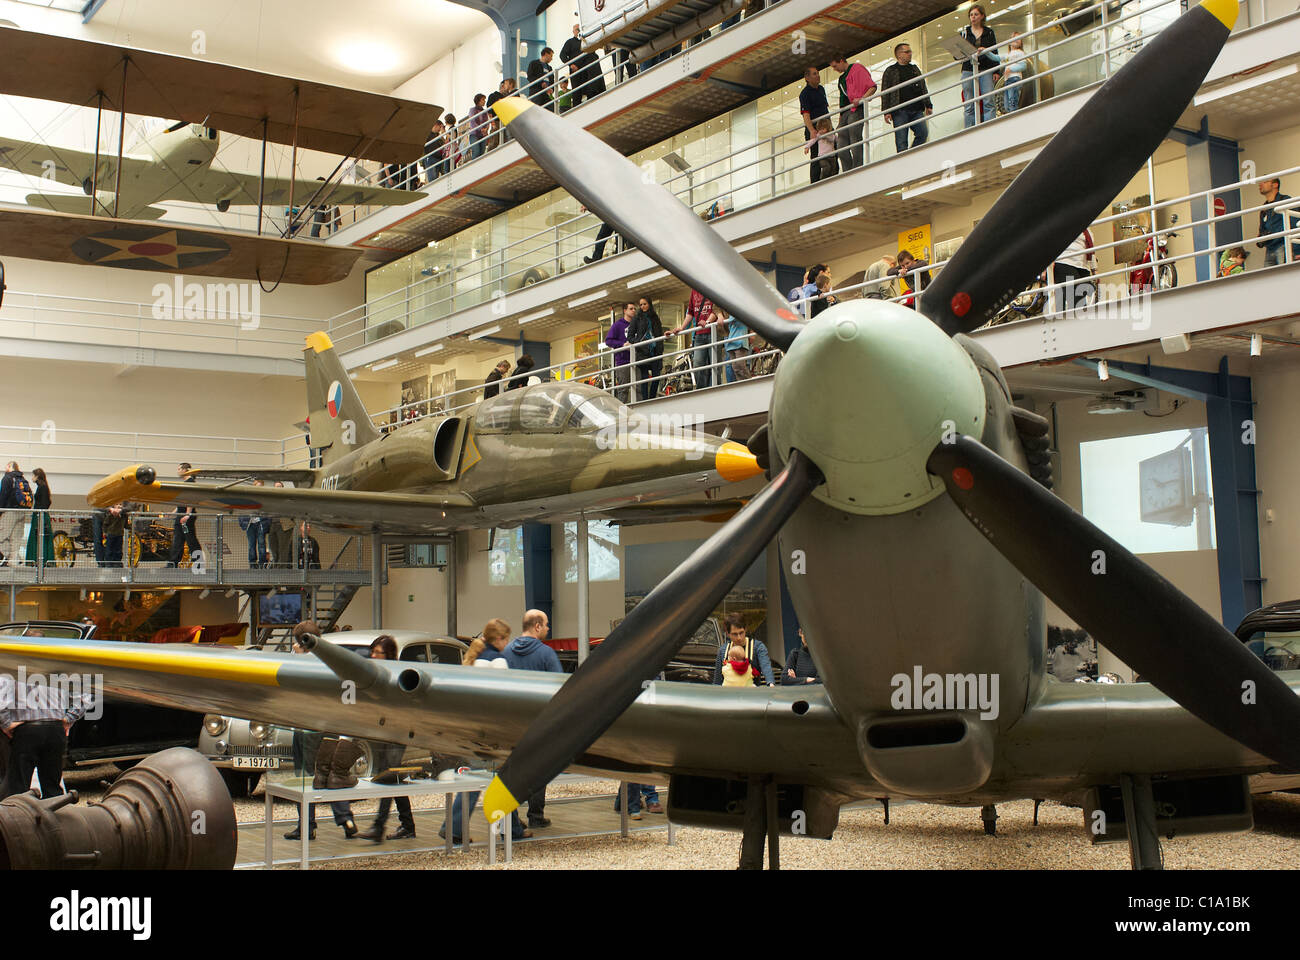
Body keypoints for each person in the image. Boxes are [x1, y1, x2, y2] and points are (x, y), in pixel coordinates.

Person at [284, 622, 358, 840]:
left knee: (305, 777)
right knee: (329, 774)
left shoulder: (303, 661)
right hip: (330, 726)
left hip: (306, 727)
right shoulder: (332, 659)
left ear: (300, 642)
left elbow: (292, 683)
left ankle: (307, 826)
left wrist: (296, 657)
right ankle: (346, 819)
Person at [0, 656, 93, 799]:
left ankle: (21, 818)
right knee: (52, 784)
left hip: (26, 729)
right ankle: (55, 816)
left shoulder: (14, 668)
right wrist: (68, 719)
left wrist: (6, 724)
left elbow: (1, 699)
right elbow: (84, 697)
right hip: (55, 729)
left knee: (18, 787)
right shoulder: (60, 668)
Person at [503, 609, 562, 828]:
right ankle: (535, 815)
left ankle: (512, 817)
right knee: (539, 768)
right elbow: (559, 689)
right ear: (537, 626)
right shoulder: (547, 654)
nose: (548, 628)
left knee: (513, 770)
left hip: (511, 722)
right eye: (546, 624)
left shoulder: (506, 651)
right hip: (539, 722)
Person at [358, 635, 417, 842]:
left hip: (397, 731)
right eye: (372, 651)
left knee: (388, 775)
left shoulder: (398, 675)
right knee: (393, 776)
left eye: (378, 652)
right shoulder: (376, 673)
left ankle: (378, 826)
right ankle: (407, 825)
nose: (373, 655)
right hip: (384, 729)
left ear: (390, 654)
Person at [881, 42, 932, 152]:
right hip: (899, 110)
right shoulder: (891, 71)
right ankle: (904, 163)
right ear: (899, 55)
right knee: (901, 142)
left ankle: (911, 156)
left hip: (917, 108)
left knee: (923, 133)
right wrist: (886, 111)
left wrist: (928, 104)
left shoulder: (914, 69)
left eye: (910, 51)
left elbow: (923, 86)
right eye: (907, 52)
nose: (910, 54)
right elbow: (885, 92)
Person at [829, 53, 876, 171]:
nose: (835, 69)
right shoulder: (841, 79)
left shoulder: (857, 69)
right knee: (841, 145)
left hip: (856, 109)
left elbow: (872, 87)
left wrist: (861, 99)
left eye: (835, 66)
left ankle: (857, 168)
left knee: (855, 139)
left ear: (841, 61)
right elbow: (842, 99)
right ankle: (848, 170)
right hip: (845, 111)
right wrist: (840, 118)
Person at [956, 4, 999, 128]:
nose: (973, 17)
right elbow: (957, 54)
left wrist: (997, 71)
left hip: (985, 67)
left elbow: (995, 51)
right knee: (969, 103)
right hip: (968, 68)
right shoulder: (964, 33)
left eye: (976, 14)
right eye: (971, 15)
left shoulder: (989, 32)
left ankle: (990, 127)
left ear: (982, 16)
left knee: (988, 100)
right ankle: (969, 129)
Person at [668, 289, 716, 389]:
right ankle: (701, 391)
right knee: (698, 364)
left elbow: (717, 310)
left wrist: (707, 322)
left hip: (713, 332)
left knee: (715, 365)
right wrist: (681, 328)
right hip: (699, 334)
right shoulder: (694, 292)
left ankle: (715, 390)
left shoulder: (712, 287)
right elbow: (690, 313)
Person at [711, 613, 774, 685]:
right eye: (734, 634)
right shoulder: (723, 650)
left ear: (745, 629)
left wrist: (770, 683)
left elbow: (766, 666)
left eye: (741, 633)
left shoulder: (757, 647)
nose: (739, 638)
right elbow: (718, 680)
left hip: (750, 693)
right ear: (727, 634)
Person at [1051, 228, 1096, 315]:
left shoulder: (1088, 229)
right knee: (1076, 301)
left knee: (1083, 301)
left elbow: (1092, 250)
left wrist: (1095, 269)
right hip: (1065, 262)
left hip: (1083, 266)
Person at [799, 66, 832, 184]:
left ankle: (832, 176)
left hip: (825, 127)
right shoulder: (805, 94)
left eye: (817, 73)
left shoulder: (821, 89)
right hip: (814, 129)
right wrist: (812, 130)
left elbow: (825, 109)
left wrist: (830, 127)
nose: (818, 75)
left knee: (832, 151)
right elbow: (806, 114)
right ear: (807, 78)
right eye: (814, 74)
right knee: (816, 156)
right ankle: (815, 183)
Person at [1257, 178, 1299, 266]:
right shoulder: (1264, 209)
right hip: (1270, 249)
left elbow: (1295, 225)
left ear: (1275, 185)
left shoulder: (1286, 200)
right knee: (1269, 278)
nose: (1260, 184)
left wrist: (1297, 250)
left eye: (1265, 181)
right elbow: (1262, 229)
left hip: (1284, 245)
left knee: (1286, 275)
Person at [630, 296, 665, 401]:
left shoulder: (655, 317)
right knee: (644, 377)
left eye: (644, 304)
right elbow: (630, 336)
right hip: (643, 351)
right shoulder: (637, 318)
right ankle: (646, 399)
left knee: (656, 376)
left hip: (655, 350)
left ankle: (652, 397)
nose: (642, 306)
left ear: (649, 304)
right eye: (640, 305)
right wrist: (639, 343)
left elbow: (659, 333)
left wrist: (660, 347)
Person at [167, 462, 201, 567]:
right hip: (180, 516)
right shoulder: (184, 483)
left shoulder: (190, 483)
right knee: (178, 540)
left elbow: (190, 500)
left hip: (186, 517)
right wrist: (172, 513)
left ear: (185, 470)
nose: (178, 471)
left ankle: (198, 564)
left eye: (179, 469)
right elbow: (181, 504)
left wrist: (188, 514)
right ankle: (173, 563)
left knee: (191, 540)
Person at [0, 461, 31, 567]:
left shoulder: (7, 478)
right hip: (22, 511)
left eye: (6, 466)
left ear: (9, 467)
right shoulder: (22, 479)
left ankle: (9, 557)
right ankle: (14, 561)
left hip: (10, 512)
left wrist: (1, 509)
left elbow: (3, 494)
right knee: (16, 538)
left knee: (1, 536)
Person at [24, 467, 53, 567]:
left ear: (37, 476)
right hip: (40, 515)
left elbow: (45, 503)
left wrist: (39, 513)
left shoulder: (42, 487)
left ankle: (40, 560)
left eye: (33, 475)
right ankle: (40, 560)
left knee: (39, 538)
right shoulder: (42, 487)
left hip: (40, 516)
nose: (31, 477)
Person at [607, 303, 634, 402]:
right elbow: (608, 341)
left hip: (636, 359)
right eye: (631, 309)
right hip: (622, 361)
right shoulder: (618, 325)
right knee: (623, 389)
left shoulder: (636, 324)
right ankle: (622, 412)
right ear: (625, 311)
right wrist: (622, 345)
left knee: (639, 386)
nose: (633, 310)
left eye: (634, 309)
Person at [1000, 34, 1029, 114]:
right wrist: (986, 52)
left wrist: (1010, 69)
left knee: (1012, 103)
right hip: (1007, 80)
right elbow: (996, 57)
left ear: (1021, 43)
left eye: (1018, 38)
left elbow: (1023, 66)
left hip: (1015, 78)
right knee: (1007, 105)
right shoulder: (1008, 54)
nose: (1016, 39)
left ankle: (1014, 118)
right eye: (1013, 37)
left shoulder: (1020, 52)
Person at [267, 482, 293, 568]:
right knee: (273, 547)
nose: (278, 488)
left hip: (284, 525)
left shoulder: (288, 499)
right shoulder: (270, 500)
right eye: (276, 487)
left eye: (279, 486)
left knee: (283, 549)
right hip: (272, 525)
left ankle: (281, 570)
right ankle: (276, 567)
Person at [723, 309, 752, 382]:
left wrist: (723, 320)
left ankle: (749, 384)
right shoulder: (730, 312)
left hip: (740, 341)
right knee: (735, 368)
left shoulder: (739, 310)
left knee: (741, 366)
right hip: (731, 341)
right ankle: (741, 385)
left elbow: (733, 318)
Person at [102, 502, 127, 567]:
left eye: (120, 505)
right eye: (117, 505)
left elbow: (126, 524)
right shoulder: (110, 515)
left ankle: (117, 562)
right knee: (109, 549)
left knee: (118, 549)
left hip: (119, 534)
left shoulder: (124, 515)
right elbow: (105, 524)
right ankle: (109, 562)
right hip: (111, 534)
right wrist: (105, 532)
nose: (119, 506)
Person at [468, 94, 490, 159]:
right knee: (476, 152)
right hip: (474, 134)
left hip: (483, 134)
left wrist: (486, 129)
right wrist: (481, 129)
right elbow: (473, 122)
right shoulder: (472, 110)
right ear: (478, 101)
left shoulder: (484, 111)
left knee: (482, 153)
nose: (484, 101)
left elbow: (487, 121)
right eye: (483, 99)